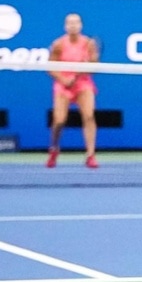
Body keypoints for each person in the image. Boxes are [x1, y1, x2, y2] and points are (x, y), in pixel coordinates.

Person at [47, 13, 99, 169]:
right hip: (63, 85)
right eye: (70, 23)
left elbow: (94, 66)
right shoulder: (58, 44)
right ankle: (54, 149)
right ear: (65, 26)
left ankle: (90, 155)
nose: (73, 26)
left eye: (76, 23)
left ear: (81, 25)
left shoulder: (89, 44)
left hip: (83, 84)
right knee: (59, 121)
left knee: (89, 116)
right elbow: (50, 67)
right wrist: (63, 79)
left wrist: (87, 66)